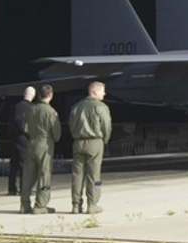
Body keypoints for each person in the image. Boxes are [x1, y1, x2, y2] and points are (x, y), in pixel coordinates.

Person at [69, 81, 112, 214]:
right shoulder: (101, 107)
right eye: (102, 90)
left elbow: (71, 124)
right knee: (94, 175)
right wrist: (104, 140)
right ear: (94, 92)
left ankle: (76, 205)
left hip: (78, 142)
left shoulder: (76, 106)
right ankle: (92, 204)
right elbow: (106, 126)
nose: (104, 93)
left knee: (77, 175)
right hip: (95, 142)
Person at [21, 84, 60, 214]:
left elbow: (25, 128)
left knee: (28, 175)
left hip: (31, 143)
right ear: (51, 95)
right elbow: (56, 133)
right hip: (44, 144)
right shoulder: (50, 111)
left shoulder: (31, 110)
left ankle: (24, 205)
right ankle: (40, 204)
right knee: (44, 174)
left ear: (38, 95)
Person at [8, 86, 36, 195]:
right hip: (24, 138)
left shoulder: (15, 107)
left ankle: (12, 188)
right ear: (33, 95)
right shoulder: (32, 107)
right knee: (24, 164)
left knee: (14, 164)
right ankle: (24, 188)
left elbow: (10, 123)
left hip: (14, 137)